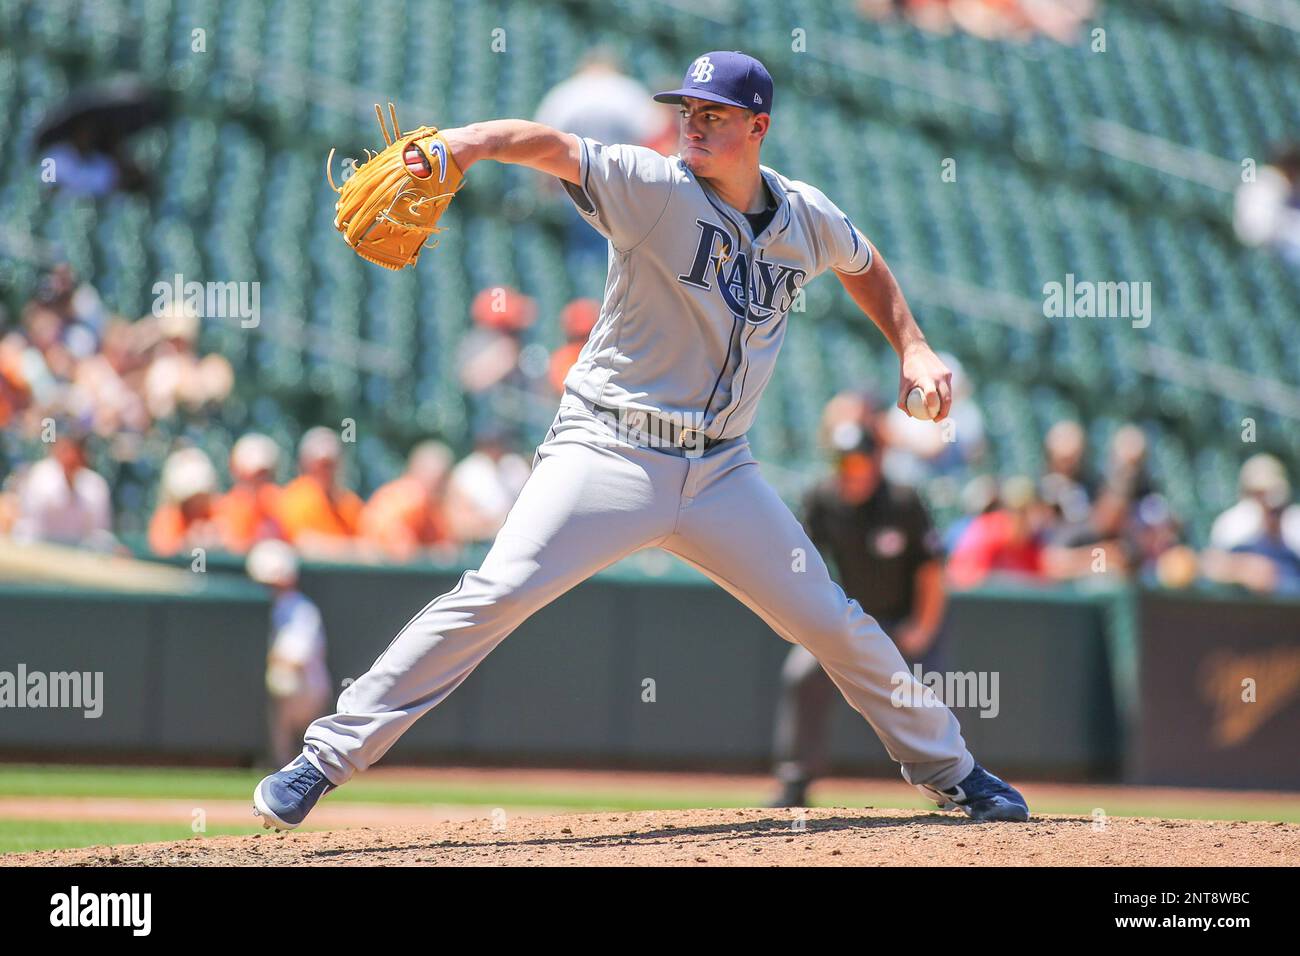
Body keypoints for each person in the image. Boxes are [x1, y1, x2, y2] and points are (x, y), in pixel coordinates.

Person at [254, 51, 1029, 830]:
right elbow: (547, 143)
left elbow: (864, 263)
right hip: (608, 449)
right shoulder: (654, 186)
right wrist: (462, 143)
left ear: (758, 127)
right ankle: (322, 757)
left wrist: (913, 345)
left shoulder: (807, 216)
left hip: (723, 468)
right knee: (494, 593)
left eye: (713, 115)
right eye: (687, 110)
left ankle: (954, 771)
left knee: (832, 620)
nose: (692, 124)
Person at [769, 418, 948, 807]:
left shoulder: (902, 500)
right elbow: (801, 560)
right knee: (802, 674)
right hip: (852, 619)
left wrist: (921, 628)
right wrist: (811, 622)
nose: (851, 472)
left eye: (858, 463)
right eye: (843, 463)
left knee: (925, 696)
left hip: (902, 623)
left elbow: (932, 570)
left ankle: (945, 788)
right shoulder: (823, 497)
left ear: (875, 462)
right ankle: (795, 782)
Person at [247, 540, 333, 768]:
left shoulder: (301, 609)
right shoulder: (262, 607)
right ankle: (277, 761)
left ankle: (293, 763)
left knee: (283, 680)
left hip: (306, 691)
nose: (273, 587)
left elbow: (295, 660)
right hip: (281, 693)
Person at [11, 425, 116, 550]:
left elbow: (99, 531)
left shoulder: (95, 484)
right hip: (40, 546)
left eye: (76, 450)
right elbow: (34, 519)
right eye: (65, 449)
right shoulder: (41, 474)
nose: (70, 456)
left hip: (78, 553)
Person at [358, 440, 457, 562]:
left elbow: (447, 546)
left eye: (443, 480)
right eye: (437, 480)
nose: (440, 486)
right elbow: (401, 550)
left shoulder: (435, 505)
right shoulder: (405, 497)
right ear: (416, 470)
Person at [273, 427, 364, 558]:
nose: (325, 470)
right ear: (304, 463)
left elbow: (370, 545)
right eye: (321, 464)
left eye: (330, 464)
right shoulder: (292, 499)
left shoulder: (349, 503)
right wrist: (353, 550)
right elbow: (303, 544)